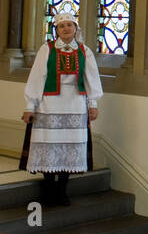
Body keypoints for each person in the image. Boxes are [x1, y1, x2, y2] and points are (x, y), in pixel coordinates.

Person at [19, 11, 103, 206]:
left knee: (69, 149)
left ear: (75, 28)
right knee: (50, 146)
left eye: (69, 25)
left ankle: (62, 190)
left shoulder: (84, 51)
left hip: (75, 104)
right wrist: (30, 105)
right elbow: (37, 77)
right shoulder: (46, 50)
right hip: (49, 105)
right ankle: (49, 190)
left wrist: (93, 104)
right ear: (56, 30)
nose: (66, 29)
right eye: (61, 26)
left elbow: (92, 79)